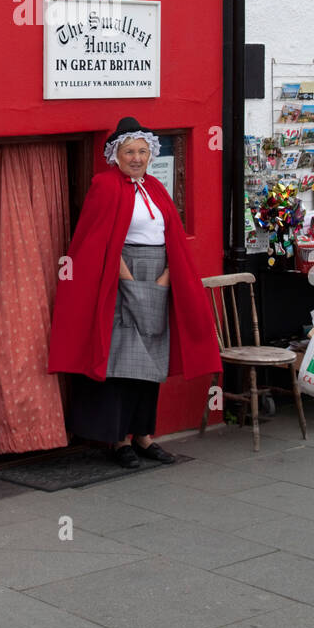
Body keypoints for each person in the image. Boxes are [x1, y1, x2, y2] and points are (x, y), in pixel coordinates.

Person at [48, 115, 221, 468]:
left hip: (157, 274)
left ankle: (144, 435)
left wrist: (166, 277)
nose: (137, 158)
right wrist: (127, 281)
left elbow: (172, 237)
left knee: (151, 360)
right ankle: (118, 440)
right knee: (121, 362)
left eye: (142, 152)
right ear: (116, 155)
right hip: (119, 278)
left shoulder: (155, 188)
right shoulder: (105, 185)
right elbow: (99, 242)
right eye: (129, 152)